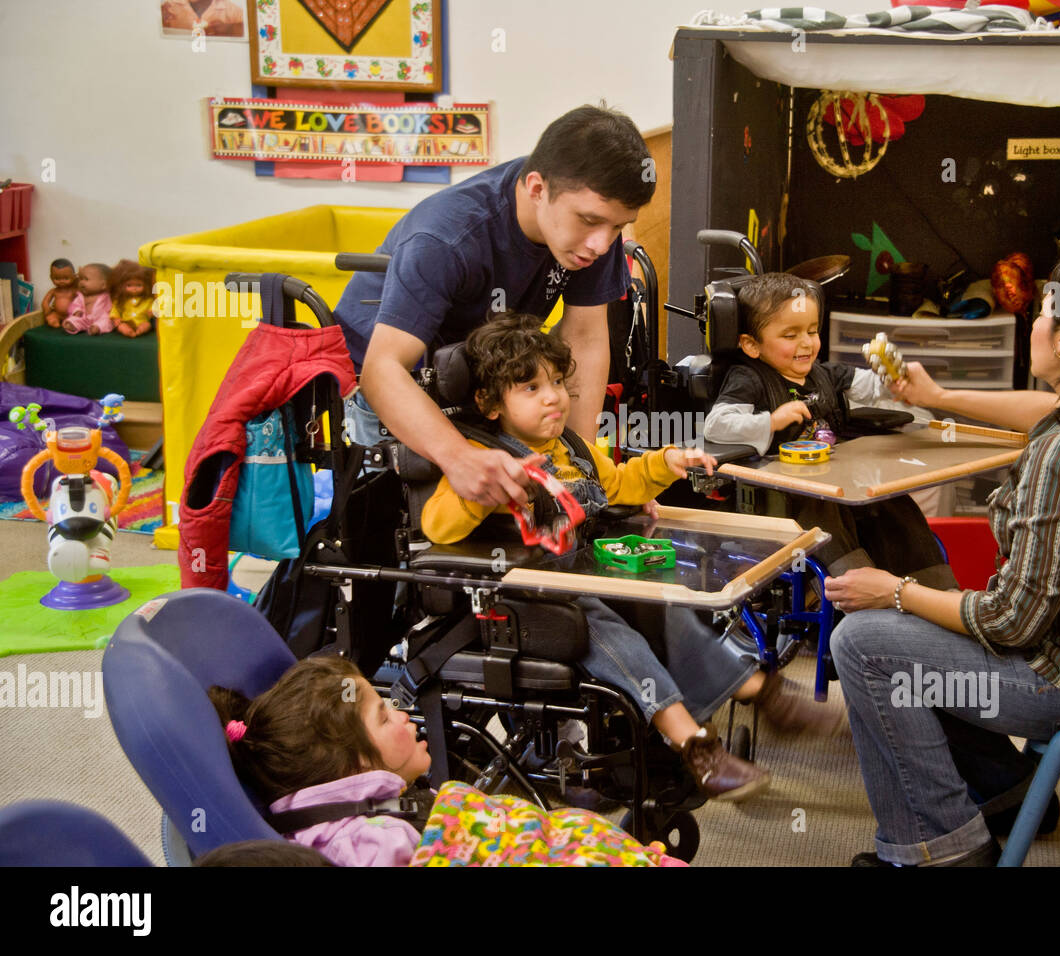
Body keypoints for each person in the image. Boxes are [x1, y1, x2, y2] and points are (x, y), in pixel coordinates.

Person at [826, 252, 1060, 866]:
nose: (1034, 324)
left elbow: (1008, 624)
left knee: (863, 641)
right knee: (916, 632)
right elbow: (1040, 410)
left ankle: (939, 848)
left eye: (1044, 312)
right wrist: (937, 396)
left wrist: (895, 590)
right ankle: (1007, 793)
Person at [422, 312, 845, 801]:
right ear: (490, 404)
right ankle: (694, 745)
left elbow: (619, 485)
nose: (554, 397)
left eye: (557, 383)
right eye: (532, 389)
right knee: (609, 628)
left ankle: (762, 694)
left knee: (666, 603)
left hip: (585, 575)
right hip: (527, 599)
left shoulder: (570, 446)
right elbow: (437, 525)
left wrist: (667, 463)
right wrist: (484, 489)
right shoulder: (479, 456)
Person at [334, 104, 652, 512]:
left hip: (482, 383)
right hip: (392, 387)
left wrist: (583, 470)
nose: (602, 244)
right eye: (590, 221)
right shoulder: (445, 237)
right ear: (537, 189)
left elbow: (586, 339)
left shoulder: (590, 226)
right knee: (421, 532)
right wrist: (459, 458)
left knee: (526, 517)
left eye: (618, 227)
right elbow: (383, 371)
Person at [210, 655, 685, 866]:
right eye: (383, 716)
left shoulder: (374, 818)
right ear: (353, 767)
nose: (403, 716)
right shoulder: (362, 845)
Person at [702, 271, 956, 586]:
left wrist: (894, 380)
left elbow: (869, 385)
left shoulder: (824, 374)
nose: (807, 343)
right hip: (788, 497)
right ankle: (858, 589)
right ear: (752, 345)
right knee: (823, 513)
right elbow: (716, 425)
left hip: (838, 484)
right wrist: (770, 421)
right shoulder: (749, 379)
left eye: (812, 330)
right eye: (790, 335)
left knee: (894, 504)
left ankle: (934, 588)